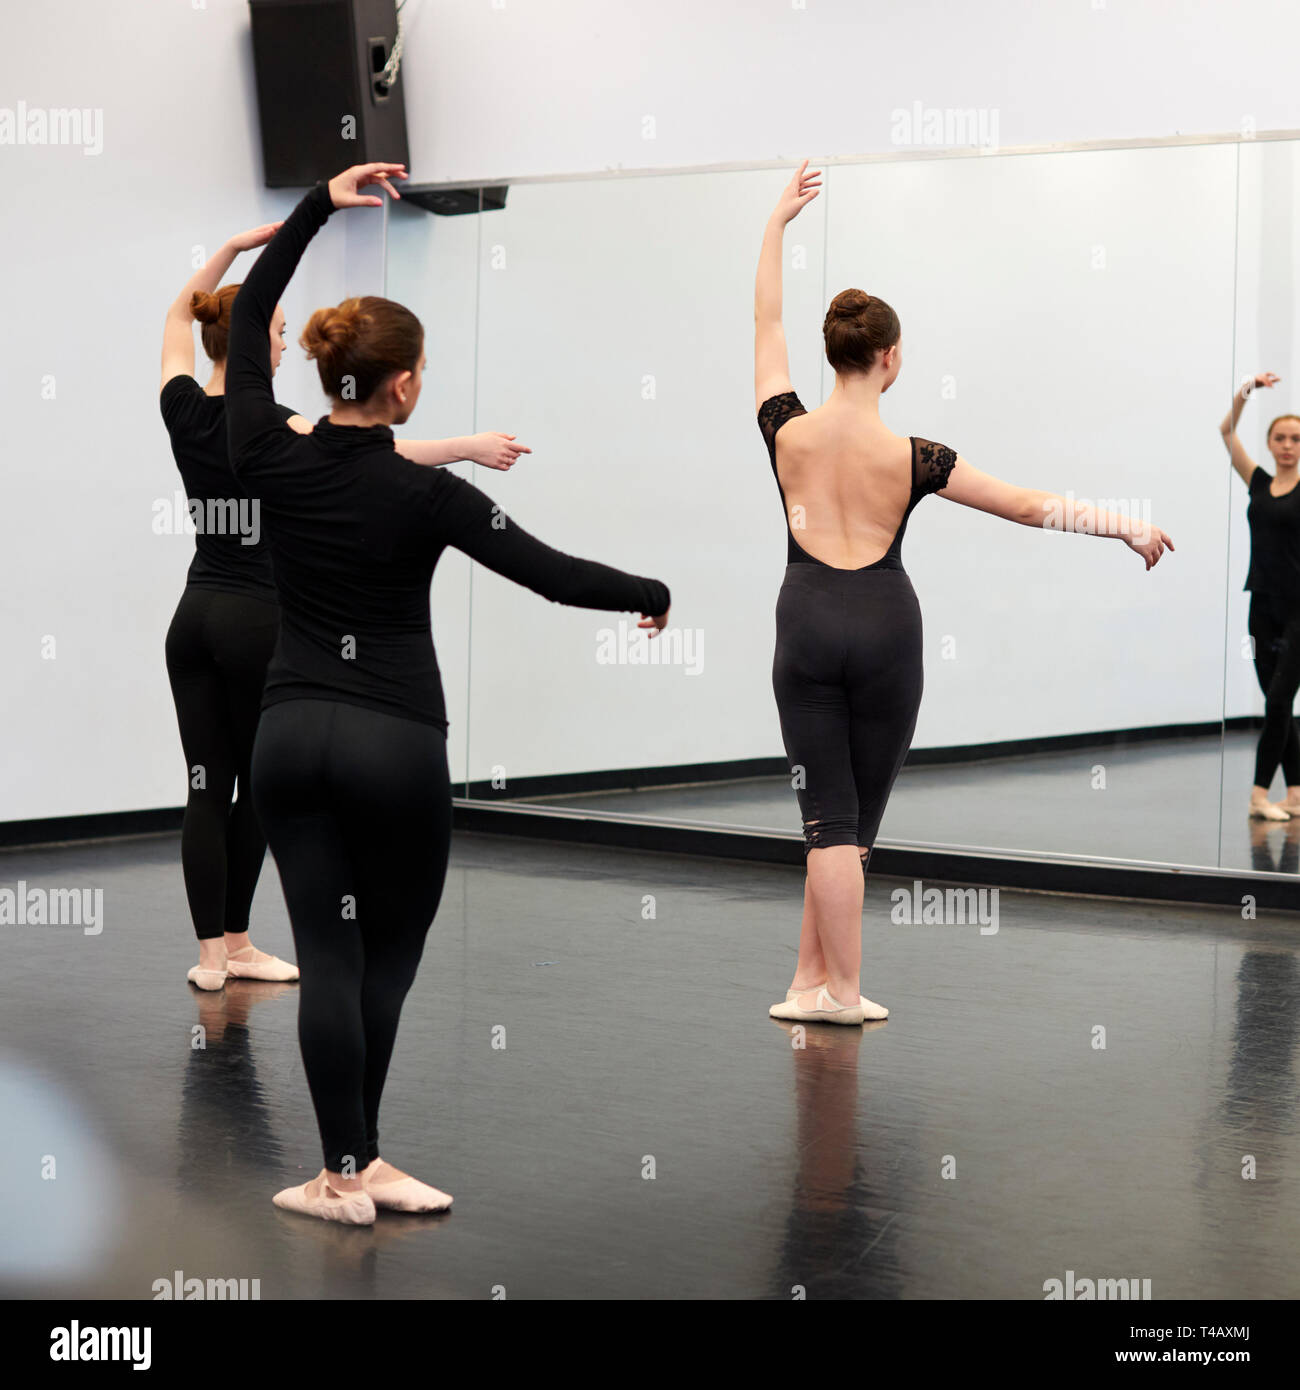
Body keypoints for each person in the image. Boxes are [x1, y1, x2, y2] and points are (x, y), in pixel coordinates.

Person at [225, 162, 671, 1223]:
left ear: (330, 374)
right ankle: (349, 1163)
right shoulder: (428, 493)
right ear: (405, 386)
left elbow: (247, 312)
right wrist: (647, 591)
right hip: (391, 745)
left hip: (288, 736)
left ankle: (349, 1168)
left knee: (328, 950)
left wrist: (318, 207)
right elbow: (556, 575)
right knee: (387, 950)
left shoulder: (264, 455)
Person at [758, 162, 1173, 1026]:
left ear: (834, 353)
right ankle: (841, 992)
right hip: (883, 626)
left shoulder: (784, 429)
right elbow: (1027, 507)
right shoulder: (918, 456)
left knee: (824, 822)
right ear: (892, 358)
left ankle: (806, 982)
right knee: (850, 829)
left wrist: (775, 225)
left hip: (803, 621)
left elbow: (764, 321)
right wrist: (1125, 524)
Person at [159, 222, 305, 991]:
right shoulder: (273, 427)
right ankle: (238, 941)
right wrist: (464, 448)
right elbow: (374, 452)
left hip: (193, 620)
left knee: (204, 787)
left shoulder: (183, 410)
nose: (282, 347)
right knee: (255, 787)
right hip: (257, 623)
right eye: (278, 333)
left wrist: (235, 248)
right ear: (250, 342)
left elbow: (178, 315)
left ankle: (216, 956)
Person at [1219, 373, 1300, 820]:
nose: (1287, 445)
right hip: (1262, 605)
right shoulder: (1258, 482)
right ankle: (1295, 794)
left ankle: (1257, 796)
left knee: (1276, 702)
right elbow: (1226, 432)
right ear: (1270, 443)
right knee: (1278, 700)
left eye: (1295, 439)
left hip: (1298, 612)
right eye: (1280, 438)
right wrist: (1246, 393)